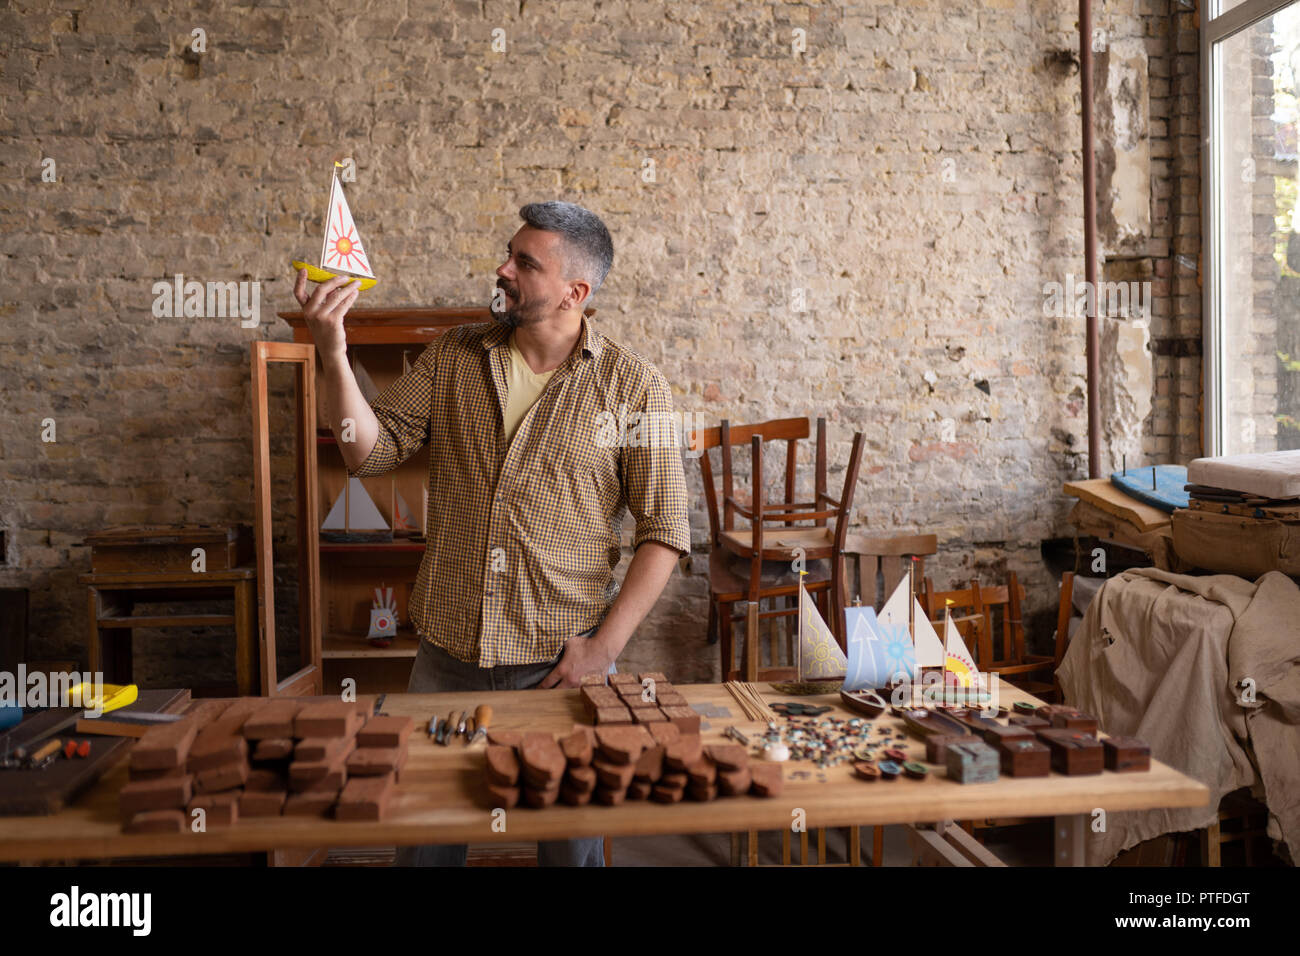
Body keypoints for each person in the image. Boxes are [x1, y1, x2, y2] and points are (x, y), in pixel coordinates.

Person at [293, 200, 690, 866]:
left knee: (572, 856)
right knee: (424, 849)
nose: (501, 270)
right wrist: (333, 352)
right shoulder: (453, 356)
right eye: (509, 253)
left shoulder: (636, 387)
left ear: (575, 292)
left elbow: (665, 529)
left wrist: (601, 651)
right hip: (446, 662)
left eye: (524, 263)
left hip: (563, 666)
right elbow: (369, 451)